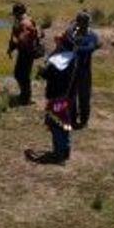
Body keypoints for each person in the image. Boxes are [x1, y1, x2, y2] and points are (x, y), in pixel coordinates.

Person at [27, 35, 76, 164]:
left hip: (56, 97)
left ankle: (59, 155)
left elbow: (48, 74)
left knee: (56, 126)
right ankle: (65, 151)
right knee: (64, 125)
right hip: (67, 96)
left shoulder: (58, 62)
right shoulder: (72, 58)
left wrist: (42, 71)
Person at [63, 9, 101, 128]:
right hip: (71, 69)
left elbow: (90, 48)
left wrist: (76, 48)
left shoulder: (91, 35)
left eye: (84, 23)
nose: (80, 25)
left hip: (84, 70)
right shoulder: (70, 32)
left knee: (84, 96)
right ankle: (72, 119)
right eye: (79, 22)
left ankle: (84, 120)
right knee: (71, 95)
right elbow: (66, 42)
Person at [6, 2, 42, 104]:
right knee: (20, 74)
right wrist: (11, 48)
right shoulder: (23, 21)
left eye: (14, 14)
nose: (14, 16)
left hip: (27, 53)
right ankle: (25, 95)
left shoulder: (24, 23)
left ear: (18, 13)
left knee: (22, 75)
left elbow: (22, 39)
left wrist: (15, 43)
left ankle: (26, 98)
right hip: (25, 52)